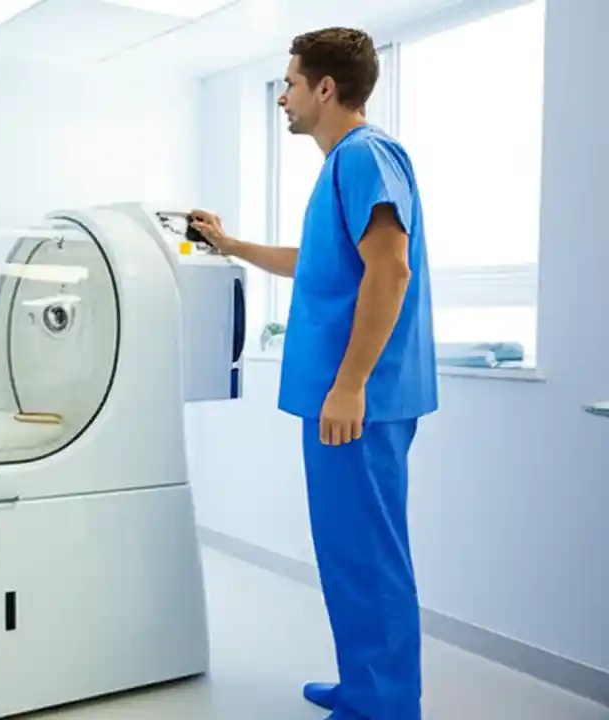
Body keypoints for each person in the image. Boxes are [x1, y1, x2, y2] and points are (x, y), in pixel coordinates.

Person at [188, 26, 438, 720]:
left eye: (291, 84)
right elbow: (321, 263)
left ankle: (383, 705)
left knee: (368, 555)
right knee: (347, 551)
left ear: (326, 89)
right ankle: (366, 684)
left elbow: (390, 270)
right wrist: (230, 244)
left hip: (361, 399)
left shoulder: (365, 156)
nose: (283, 99)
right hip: (348, 396)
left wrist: (351, 382)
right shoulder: (342, 167)